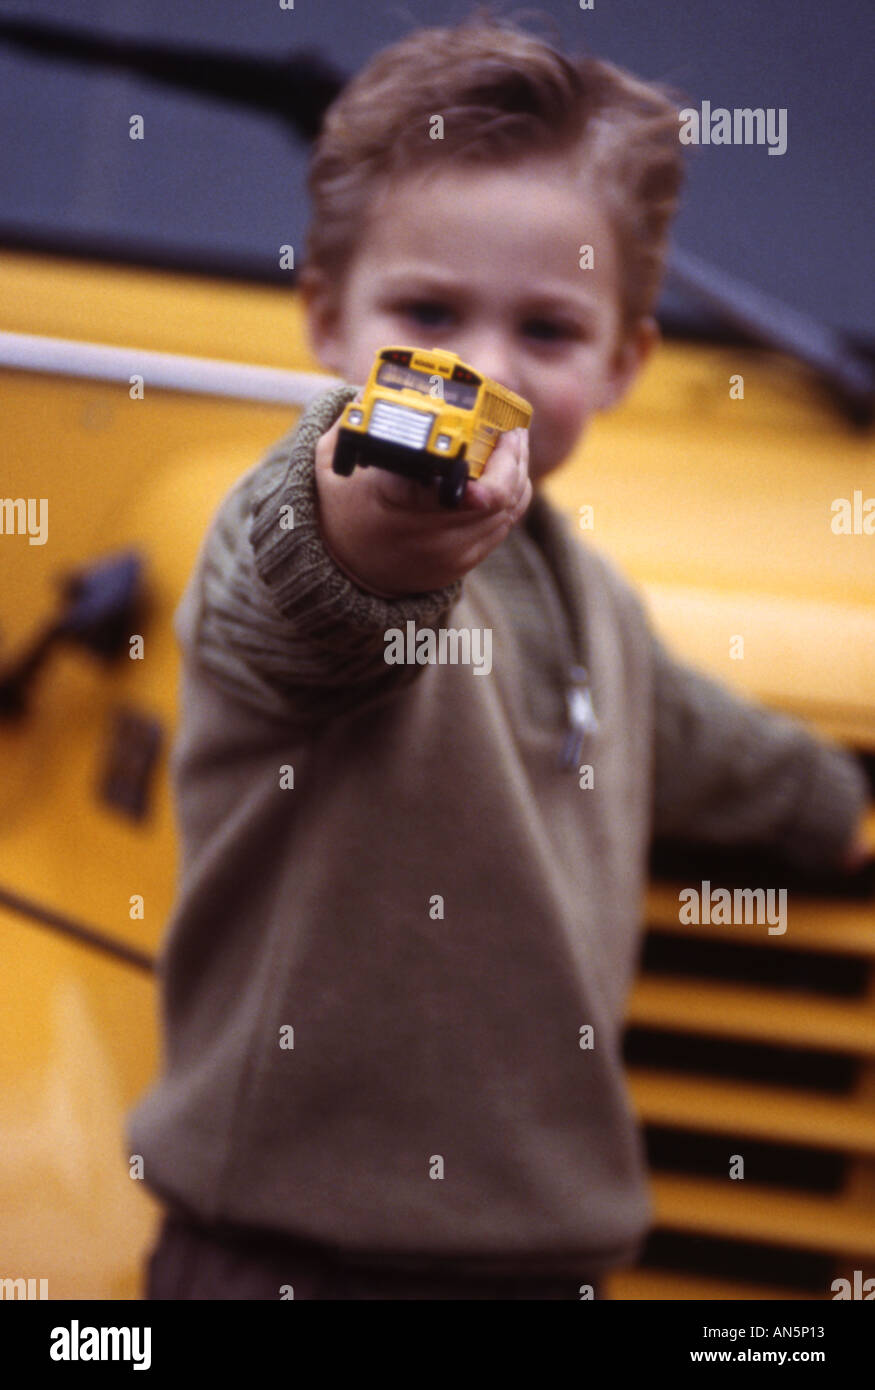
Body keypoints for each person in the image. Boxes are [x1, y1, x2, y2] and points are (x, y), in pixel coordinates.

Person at [127, 12, 870, 1300]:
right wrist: (370, 521)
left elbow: (690, 738)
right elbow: (295, 595)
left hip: (541, 1259)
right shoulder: (318, 523)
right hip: (301, 1261)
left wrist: (843, 810)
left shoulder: (588, 593)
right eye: (424, 315)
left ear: (628, 358)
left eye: (548, 330)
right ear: (324, 316)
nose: (480, 373)